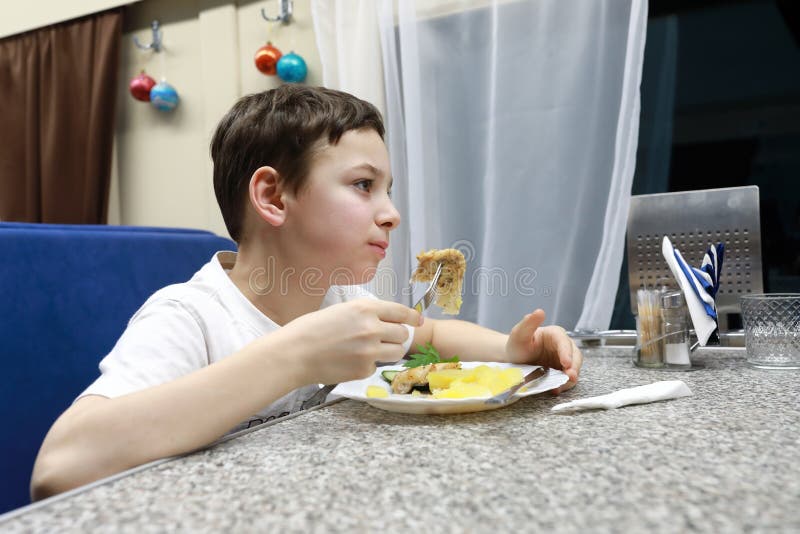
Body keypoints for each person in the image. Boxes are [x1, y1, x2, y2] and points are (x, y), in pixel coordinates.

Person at [31, 85, 582, 500]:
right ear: (273, 196)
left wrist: (512, 351)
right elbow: (59, 468)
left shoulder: (341, 301)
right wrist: (294, 355)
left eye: (388, 190)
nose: (391, 214)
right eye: (364, 185)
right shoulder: (190, 315)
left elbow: (431, 332)